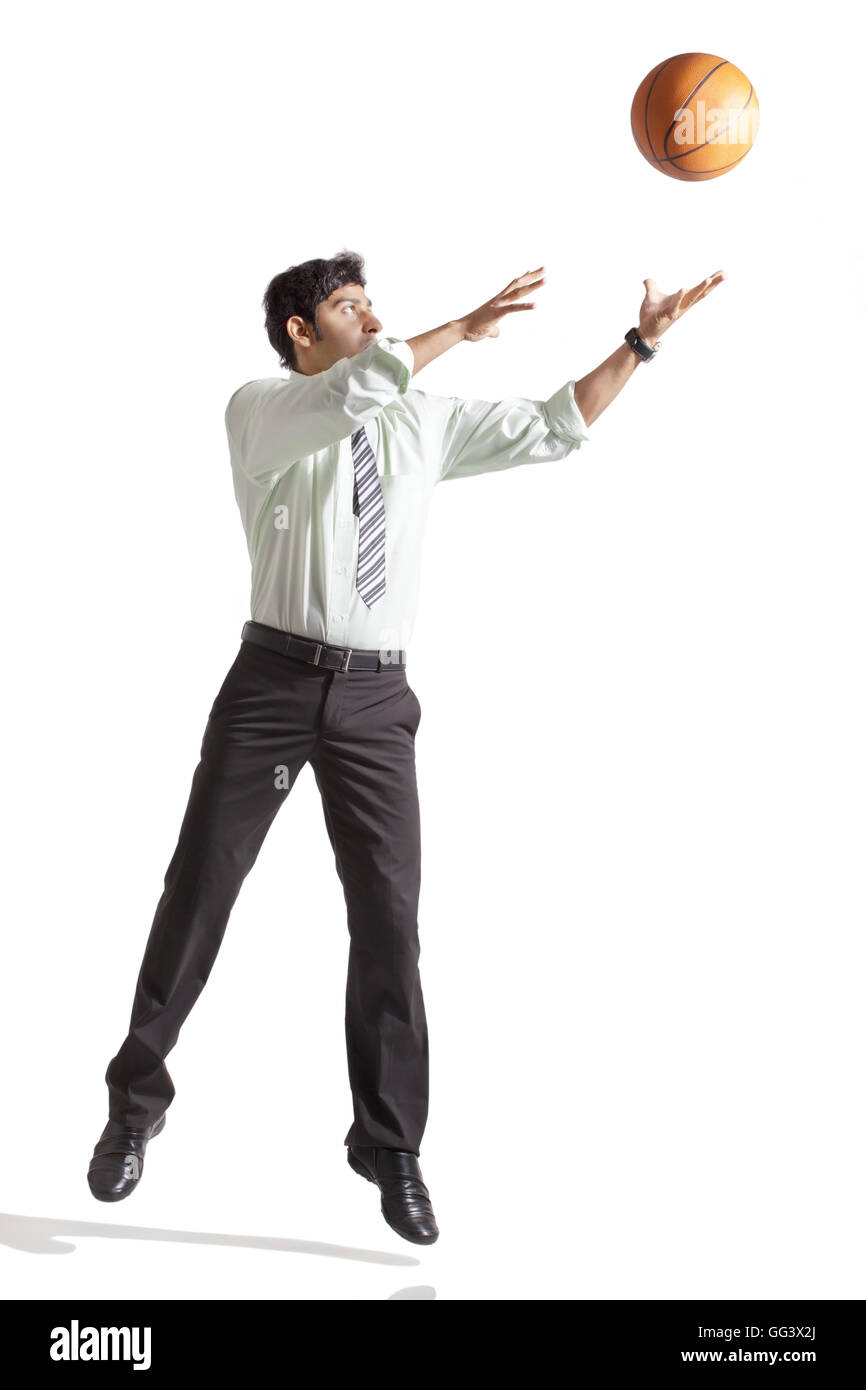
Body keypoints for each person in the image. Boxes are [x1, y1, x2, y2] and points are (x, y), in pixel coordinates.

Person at [87, 249, 726, 1244]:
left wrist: (638, 344)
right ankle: (133, 1108)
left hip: (377, 701)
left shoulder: (418, 420)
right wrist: (459, 329)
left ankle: (389, 1146)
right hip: (271, 684)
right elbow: (358, 389)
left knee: (388, 920)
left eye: (374, 306)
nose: (374, 322)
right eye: (351, 308)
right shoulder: (261, 409)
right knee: (200, 891)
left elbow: (554, 424)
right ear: (302, 332)